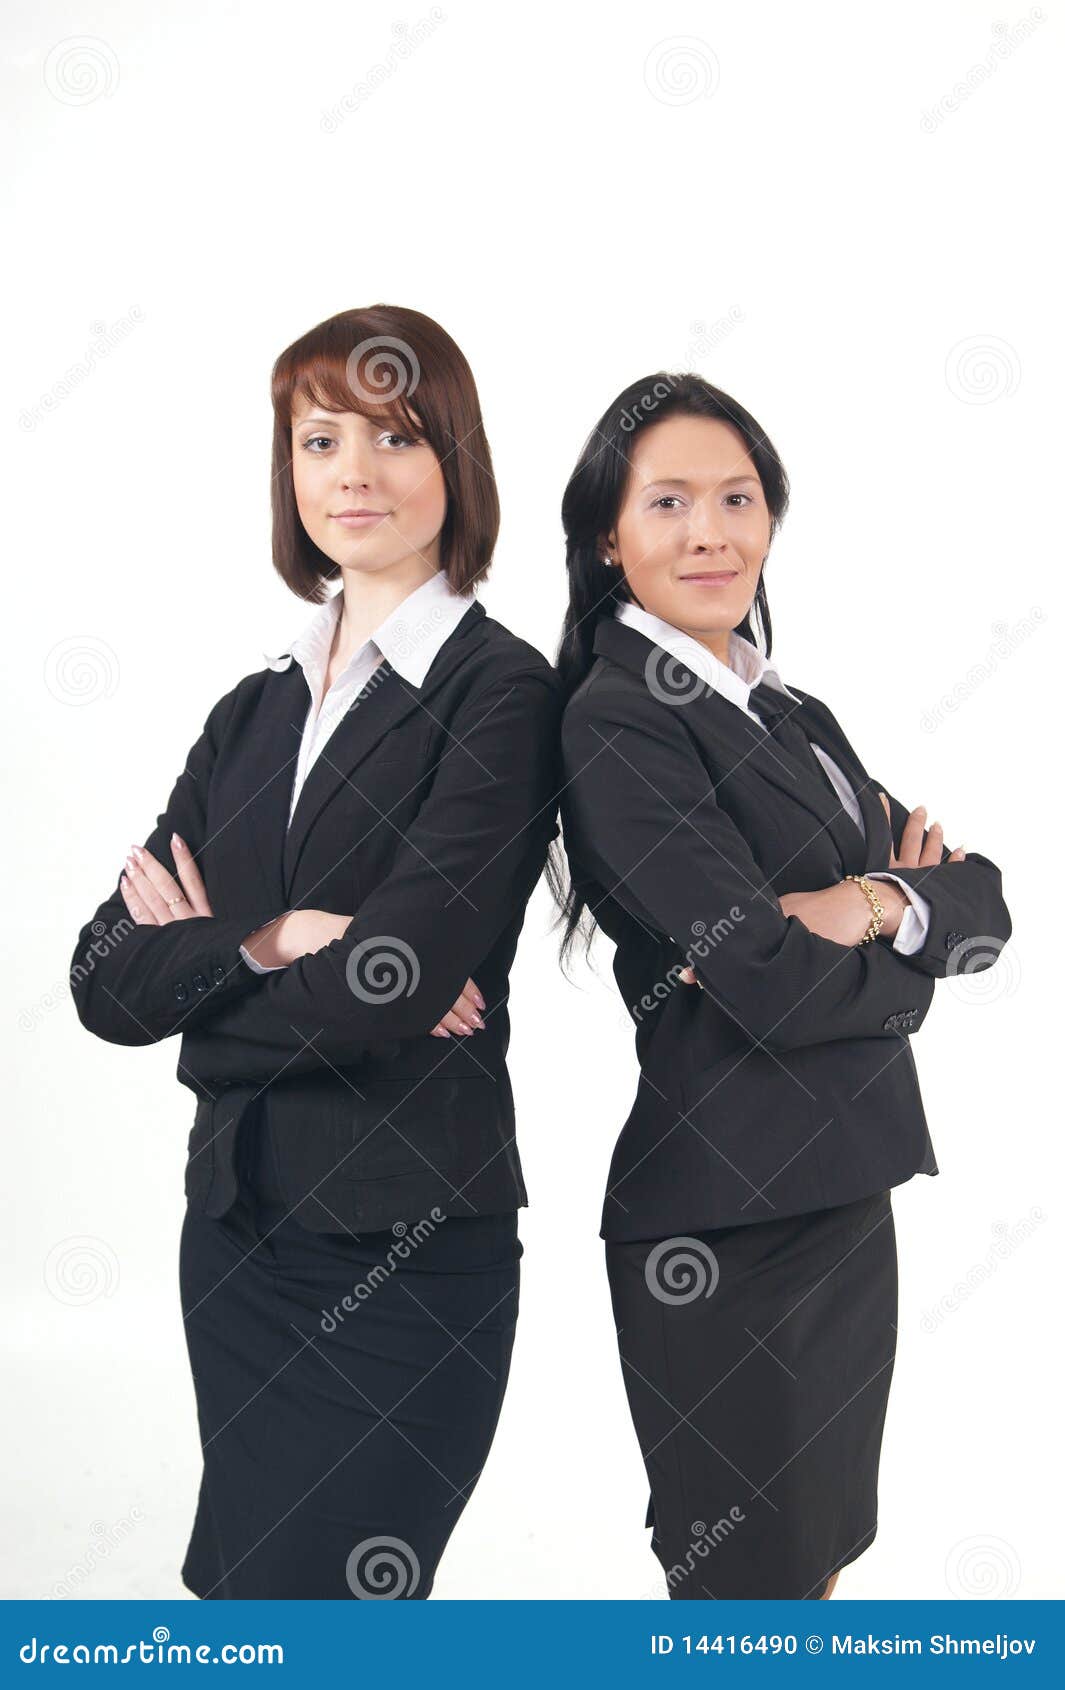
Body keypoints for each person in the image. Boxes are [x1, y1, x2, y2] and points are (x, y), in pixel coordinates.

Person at [69, 305, 562, 1599]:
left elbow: (386, 993)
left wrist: (206, 974)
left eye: (396, 436)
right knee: (241, 1605)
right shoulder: (251, 710)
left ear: (455, 458)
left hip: (404, 1246)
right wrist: (279, 936)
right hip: (236, 1237)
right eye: (319, 438)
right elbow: (101, 978)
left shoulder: (503, 694)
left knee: (332, 1618)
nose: (353, 471)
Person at [550, 371, 1012, 1600]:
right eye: (668, 502)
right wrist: (897, 927)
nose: (710, 532)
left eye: (737, 498)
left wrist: (869, 904)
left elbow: (979, 907)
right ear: (609, 536)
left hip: (846, 1197)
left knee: (811, 1569)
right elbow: (766, 980)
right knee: (747, 1592)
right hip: (726, 1228)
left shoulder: (789, 709)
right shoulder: (617, 721)